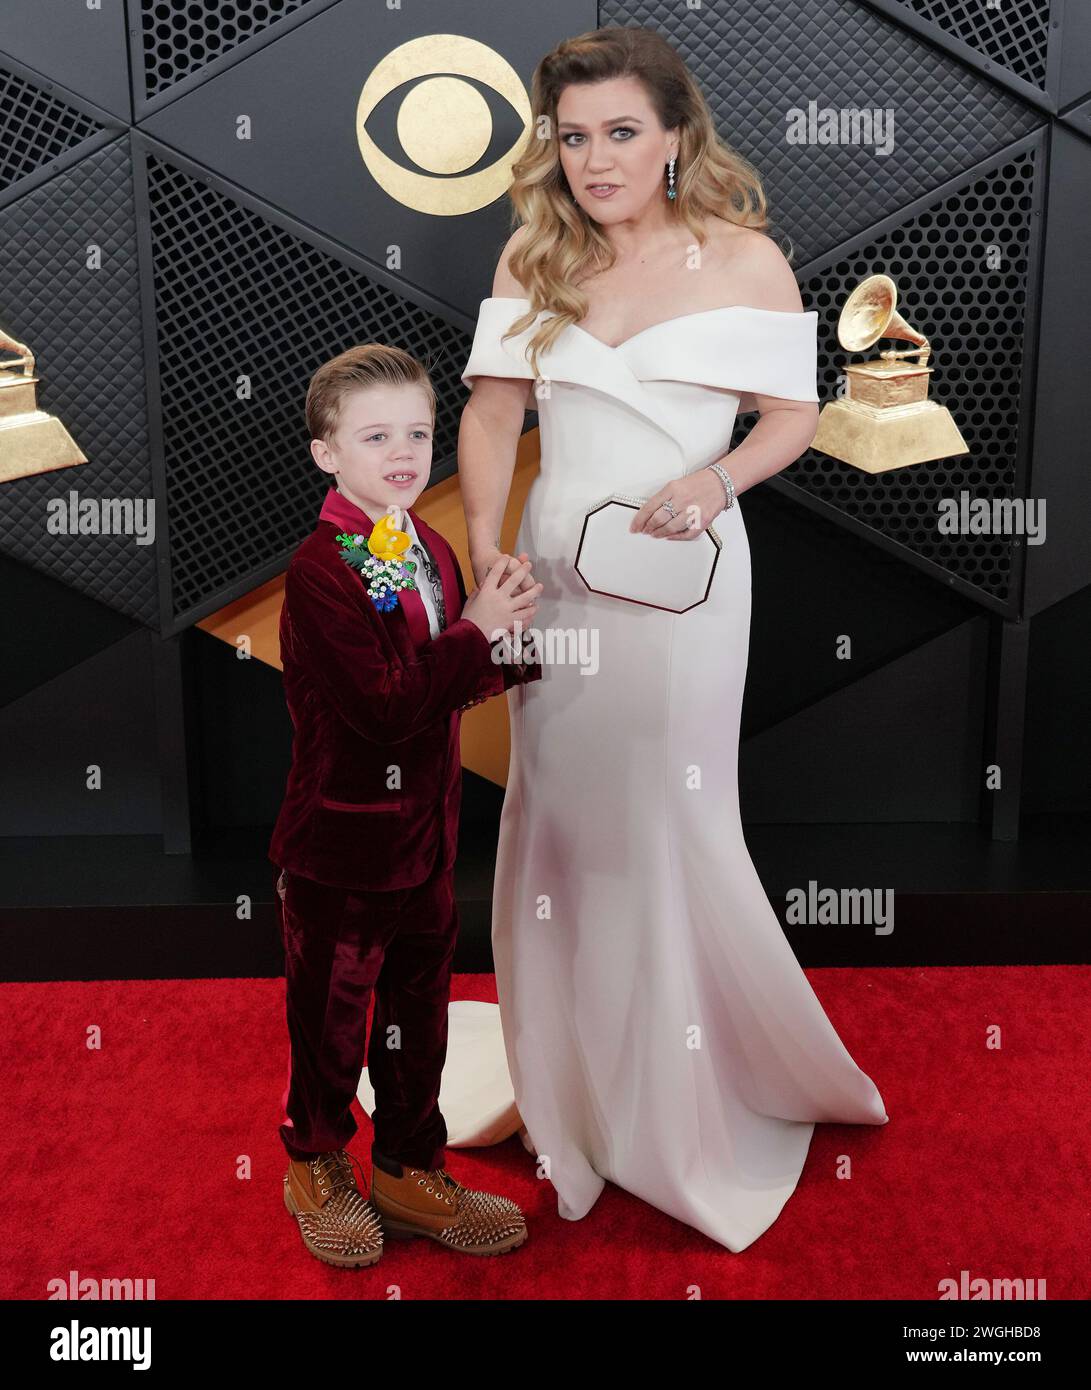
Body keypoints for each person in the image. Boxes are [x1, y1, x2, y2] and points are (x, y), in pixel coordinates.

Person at [455, 27, 888, 1252]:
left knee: (668, 810)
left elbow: (795, 414)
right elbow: (489, 418)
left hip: (688, 585)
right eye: (573, 136)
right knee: (564, 817)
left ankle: (678, 1092)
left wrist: (720, 480)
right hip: (554, 581)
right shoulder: (530, 257)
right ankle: (580, 1092)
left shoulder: (745, 260)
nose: (595, 160)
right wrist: (487, 544)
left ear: (674, 137)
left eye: (621, 132)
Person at [269, 343, 542, 1266]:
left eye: (418, 433)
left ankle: (407, 1167)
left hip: (427, 843)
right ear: (325, 453)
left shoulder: (426, 545)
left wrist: (510, 630)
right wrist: (478, 634)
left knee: (418, 1018)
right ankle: (314, 1163)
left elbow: (444, 680)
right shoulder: (316, 572)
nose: (402, 451)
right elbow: (386, 708)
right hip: (340, 857)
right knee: (332, 1022)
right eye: (375, 434)